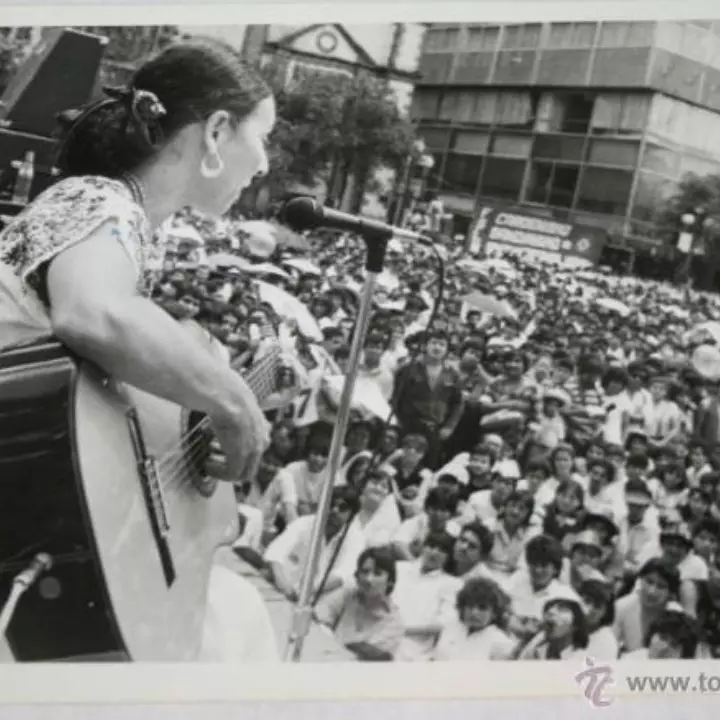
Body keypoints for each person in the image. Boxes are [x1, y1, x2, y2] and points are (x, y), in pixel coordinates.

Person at [0, 39, 276, 661]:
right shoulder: (96, 199)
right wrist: (231, 400)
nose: (264, 163)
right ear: (218, 131)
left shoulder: (130, 220)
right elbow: (93, 313)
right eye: (264, 137)